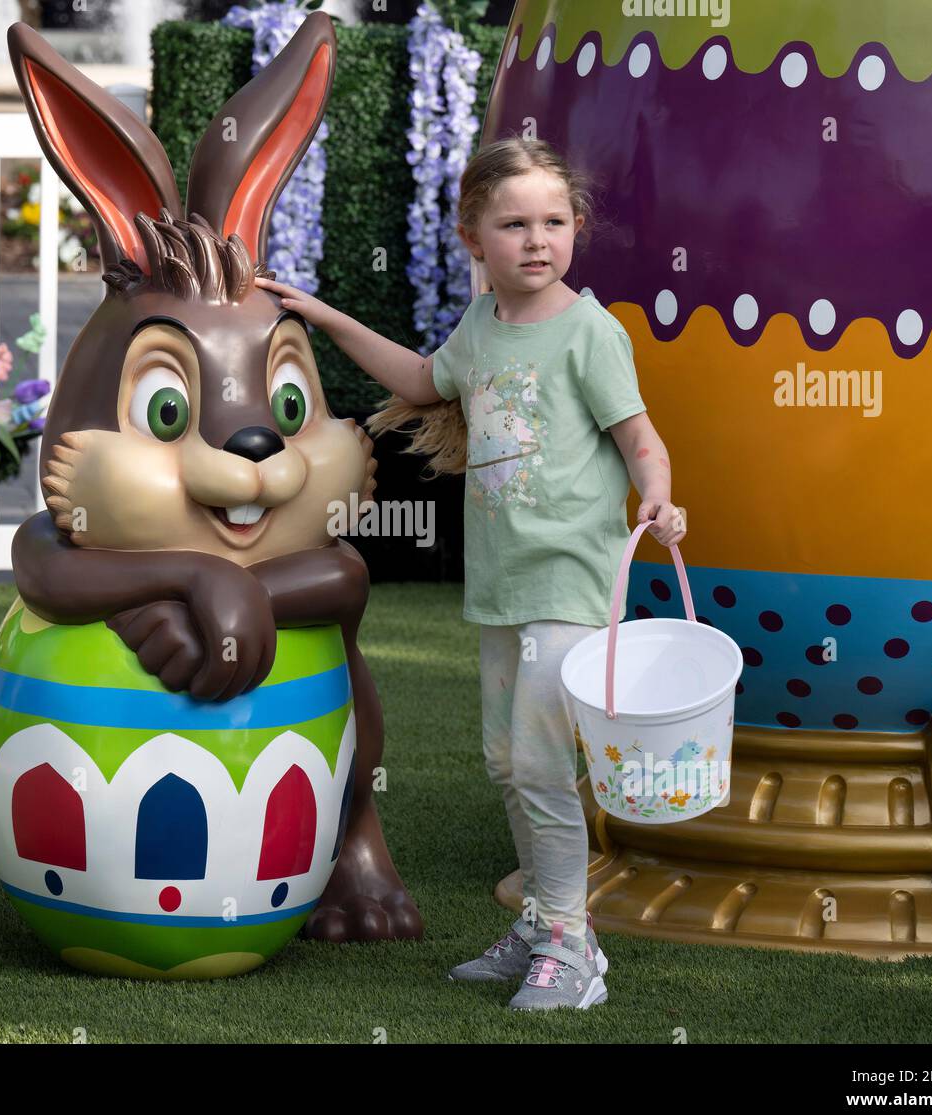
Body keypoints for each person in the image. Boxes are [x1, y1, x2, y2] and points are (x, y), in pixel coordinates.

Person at [255, 135, 685, 1010]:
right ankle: (538, 923)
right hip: (503, 587)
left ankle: (572, 946)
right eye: (515, 223)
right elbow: (420, 381)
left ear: (576, 230)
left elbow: (641, 438)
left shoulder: (591, 332)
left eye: (554, 222)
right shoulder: (483, 326)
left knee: (536, 761)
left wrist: (659, 498)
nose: (537, 240)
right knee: (505, 761)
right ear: (472, 237)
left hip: (573, 579)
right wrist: (325, 317)